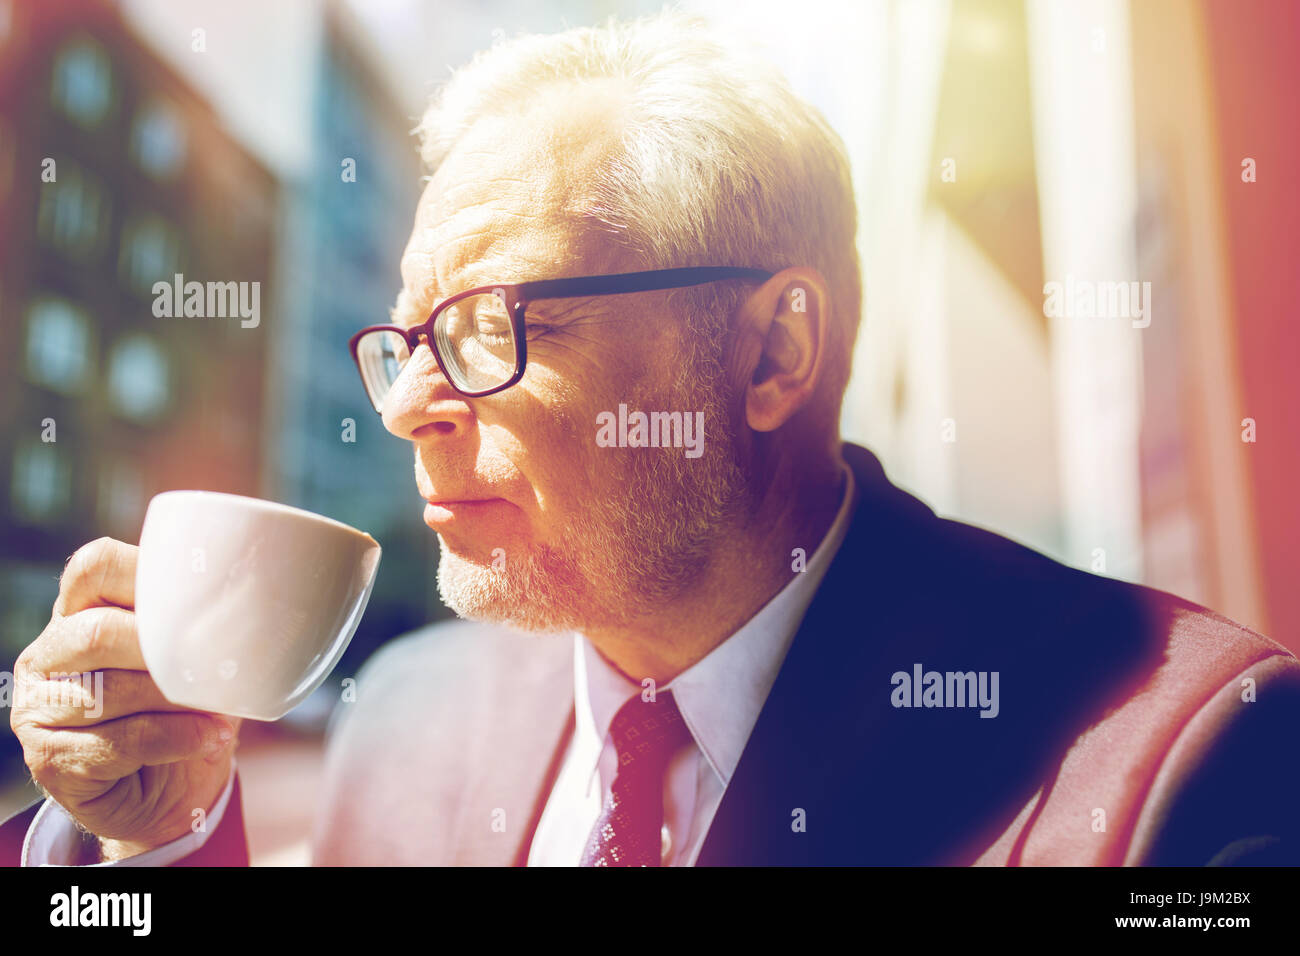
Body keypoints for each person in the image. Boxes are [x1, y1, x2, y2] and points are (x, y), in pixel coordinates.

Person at [4, 10, 1298, 867]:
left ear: (773, 351)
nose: (405, 406)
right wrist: (162, 838)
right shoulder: (405, 723)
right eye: (404, 344)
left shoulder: (1186, 762)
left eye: (493, 329)